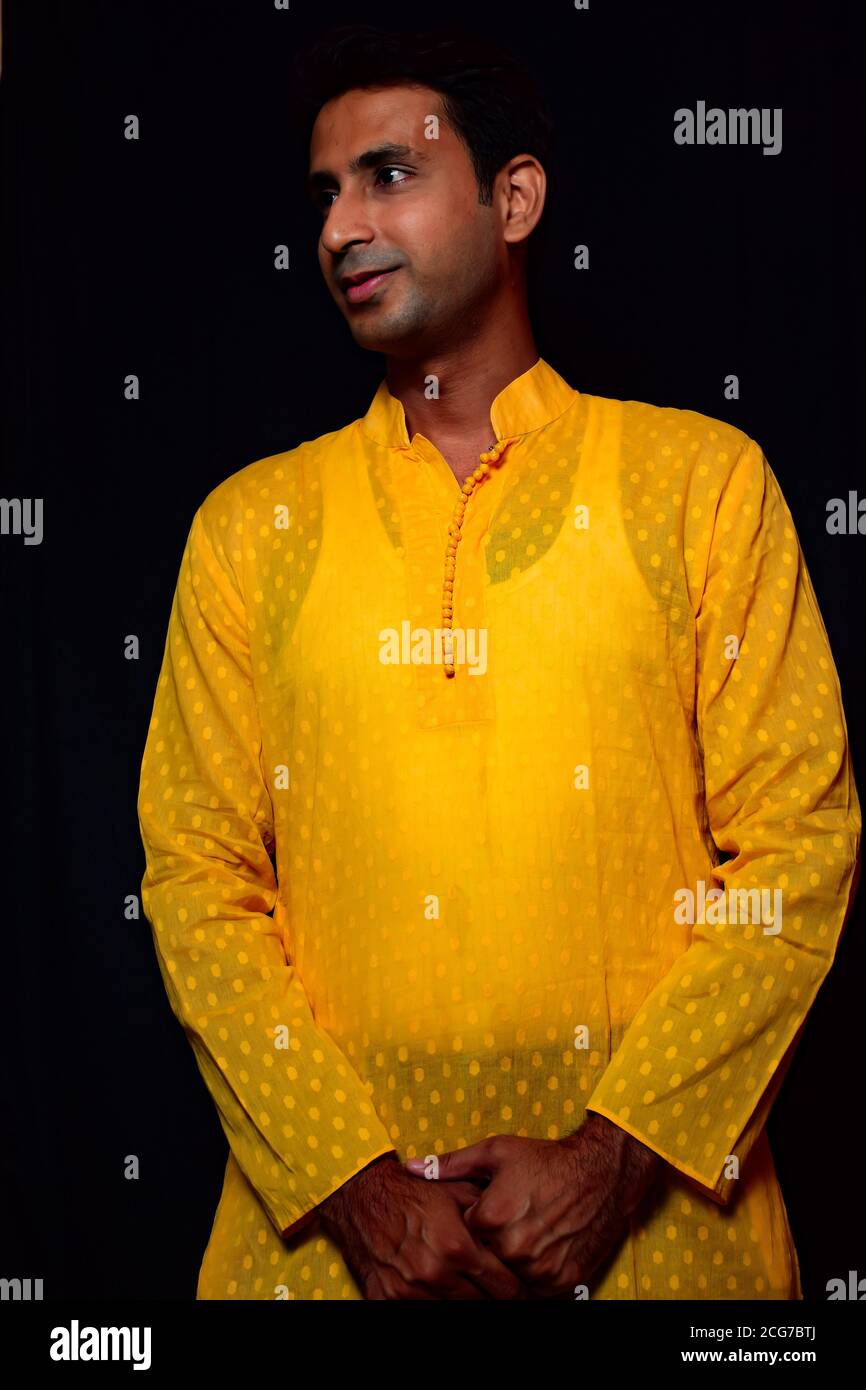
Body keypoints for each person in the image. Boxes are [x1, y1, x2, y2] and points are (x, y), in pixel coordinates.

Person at [137, 24, 860, 1301]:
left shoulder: (697, 487)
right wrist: (355, 1188)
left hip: (663, 1254)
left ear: (514, 198)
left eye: (388, 175)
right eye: (323, 195)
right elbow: (195, 883)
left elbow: (796, 848)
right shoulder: (251, 528)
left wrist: (614, 1159)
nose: (341, 228)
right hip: (319, 1260)